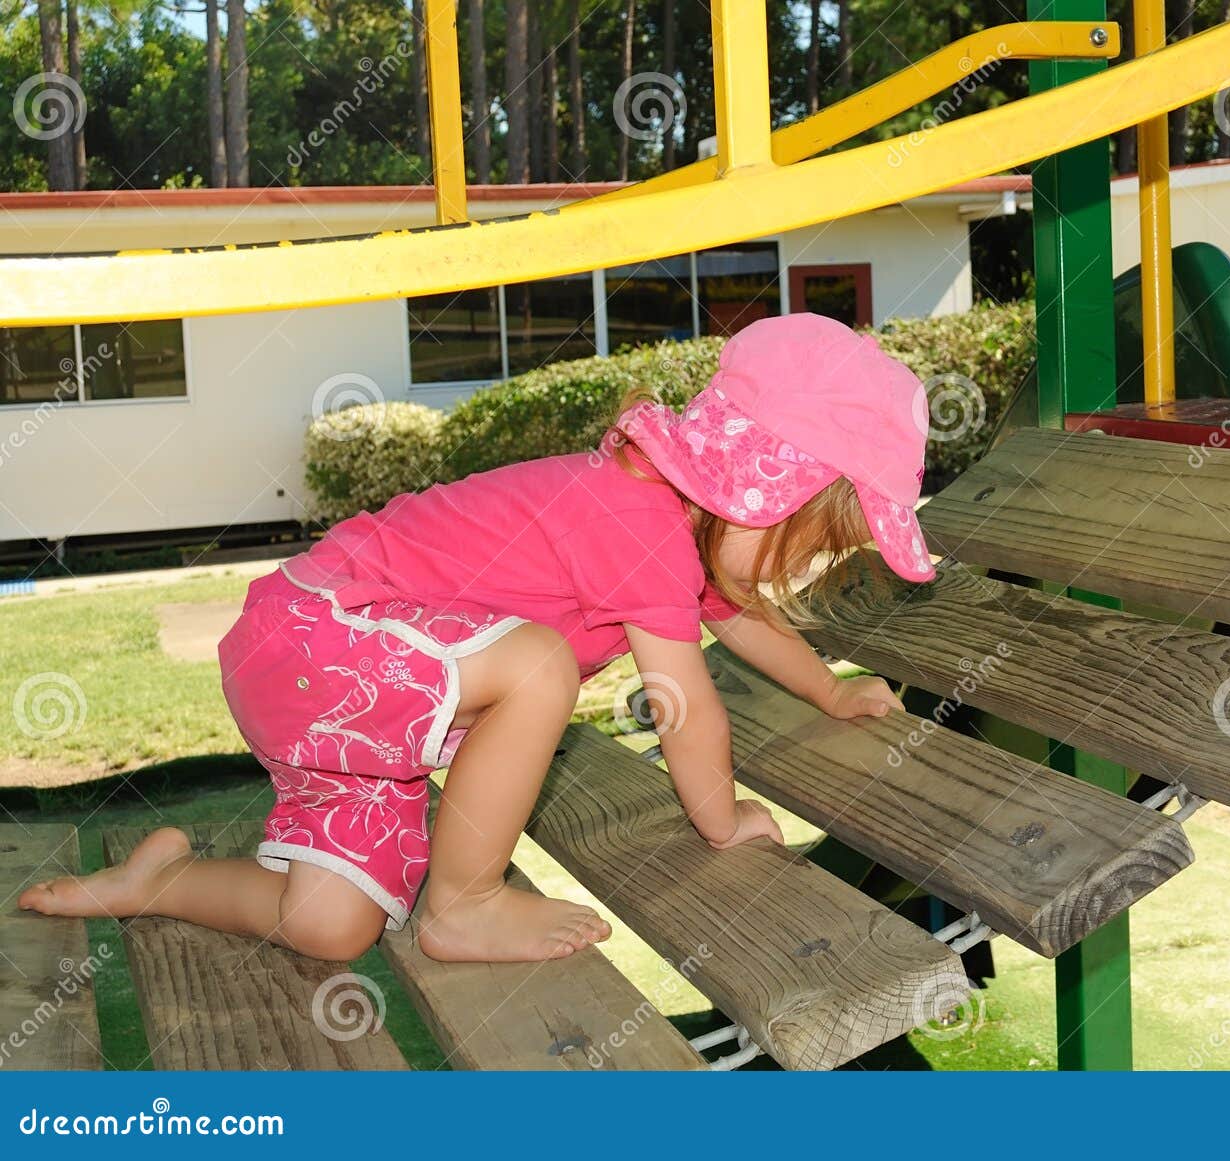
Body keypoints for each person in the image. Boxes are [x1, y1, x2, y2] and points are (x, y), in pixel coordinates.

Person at [21, 313, 936, 964]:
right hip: (317, 634)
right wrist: (724, 820)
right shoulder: (640, 518)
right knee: (538, 662)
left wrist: (830, 689)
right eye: (810, 540)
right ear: (768, 485)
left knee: (331, 926)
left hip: (348, 712)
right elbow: (685, 710)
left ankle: (154, 883)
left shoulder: (678, 530)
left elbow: (741, 611)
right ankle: (466, 904)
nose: (792, 570)